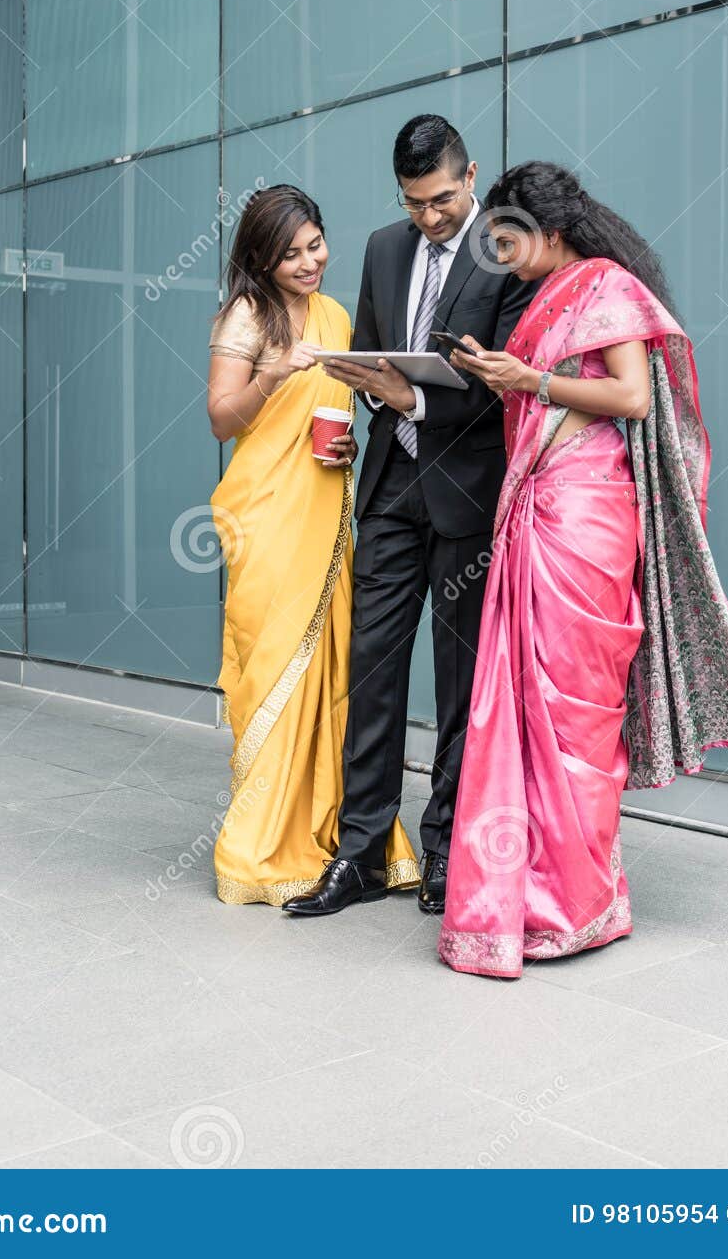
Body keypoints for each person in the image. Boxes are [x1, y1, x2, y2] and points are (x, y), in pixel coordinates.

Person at [436, 161, 728, 978]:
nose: (500, 255)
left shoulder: (604, 285)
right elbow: (550, 398)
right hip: (538, 505)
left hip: (589, 514)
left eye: (507, 240)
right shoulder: (544, 298)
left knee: (575, 710)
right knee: (529, 709)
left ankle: (577, 902)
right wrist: (504, 378)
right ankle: (522, 897)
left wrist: (527, 377)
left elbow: (634, 397)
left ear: (551, 232)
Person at [282, 116, 532, 919]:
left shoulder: (505, 249)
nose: (428, 217)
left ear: (471, 174)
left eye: (441, 199)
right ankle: (359, 854)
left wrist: (415, 394)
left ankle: (442, 851)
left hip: (466, 493)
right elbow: (364, 347)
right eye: (413, 202)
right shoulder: (384, 247)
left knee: (457, 687)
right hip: (390, 488)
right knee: (373, 672)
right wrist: (367, 382)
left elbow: (508, 385)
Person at [207, 185, 418, 905]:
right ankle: (266, 841)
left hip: (326, 509)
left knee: (334, 672)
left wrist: (347, 446)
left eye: (315, 244)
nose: (309, 262)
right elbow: (220, 419)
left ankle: (336, 836)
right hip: (265, 518)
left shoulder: (334, 316)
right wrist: (272, 373)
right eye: (290, 253)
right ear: (261, 259)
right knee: (273, 668)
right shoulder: (247, 316)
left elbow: (337, 409)